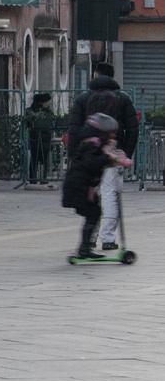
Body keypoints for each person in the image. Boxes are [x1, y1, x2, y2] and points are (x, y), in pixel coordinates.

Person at [69, 64, 138, 251]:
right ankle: (108, 238)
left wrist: (74, 155)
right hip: (113, 154)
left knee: (92, 194)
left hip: (88, 154)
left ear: (95, 76)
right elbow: (133, 129)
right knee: (110, 194)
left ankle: (90, 239)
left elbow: (74, 129)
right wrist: (125, 154)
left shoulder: (84, 98)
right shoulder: (122, 98)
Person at [63, 111, 119, 260]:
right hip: (79, 187)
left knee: (94, 212)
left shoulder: (94, 143)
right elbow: (91, 162)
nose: (113, 137)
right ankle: (84, 248)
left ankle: (85, 247)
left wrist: (111, 158)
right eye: (111, 134)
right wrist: (108, 158)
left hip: (84, 187)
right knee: (93, 212)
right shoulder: (92, 143)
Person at [24, 92, 56, 184]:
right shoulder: (31, 111)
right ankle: (33, 178)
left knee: (44, 159)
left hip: (45, 139)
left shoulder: (48, 111)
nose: (47, 104)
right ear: (40, 102)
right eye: (46, 102)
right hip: (35, 138)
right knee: (34, 159)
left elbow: (52, 121)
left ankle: (43, 178)